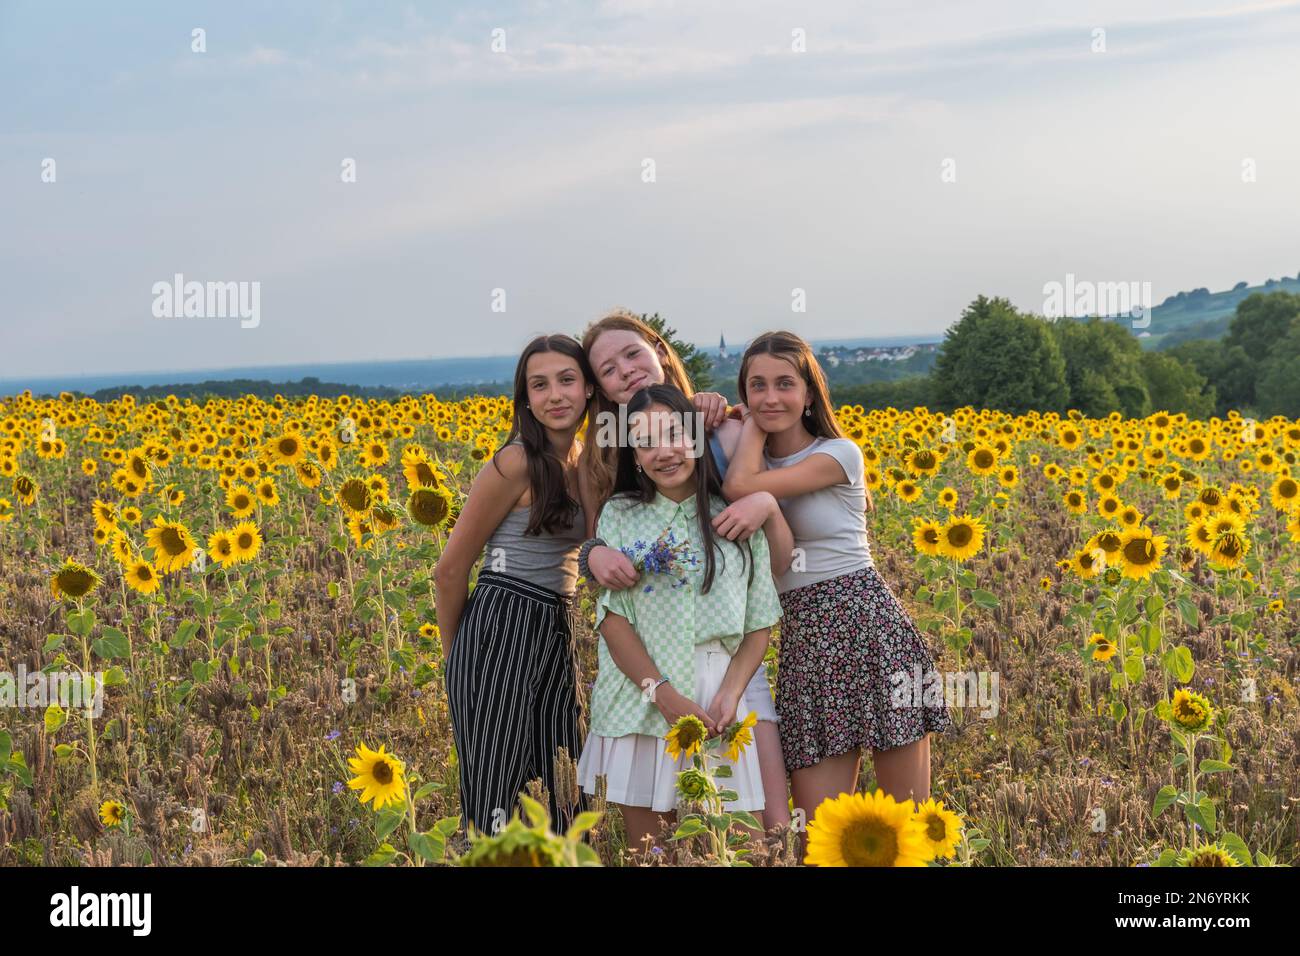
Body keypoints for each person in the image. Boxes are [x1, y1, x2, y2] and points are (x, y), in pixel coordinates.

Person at [721, 330, 953, 850]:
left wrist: (749, 427)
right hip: (807, 644)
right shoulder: (741, 460)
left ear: (809, 393)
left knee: (907, 832)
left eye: (785, 384)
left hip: (869, 627)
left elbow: (741, 489)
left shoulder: (839, 454)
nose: (771, 397)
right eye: (757, 386)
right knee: (819, 840)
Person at [576, 309, 795, 828]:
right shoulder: (613, 489)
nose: (626, 370)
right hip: (643, 684)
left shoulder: (727, 433)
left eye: (632, 353)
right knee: (655, 845)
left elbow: (765, 598)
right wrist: (592, 553)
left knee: (766, 832)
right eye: (608, 369)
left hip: (726, 679)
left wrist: (766, 503)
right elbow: (609, 602)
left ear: (657, 349)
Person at [436, 334, 592, 834]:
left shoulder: (588, 460)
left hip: (557, 624)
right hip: (503, 618)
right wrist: (459, 659)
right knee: (495, 799)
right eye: (539, 385)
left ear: (589, 388)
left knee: (563, 789)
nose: (555, 395)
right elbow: (450, 570)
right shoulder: (516, 461)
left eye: (567, 380)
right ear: (526, 399)